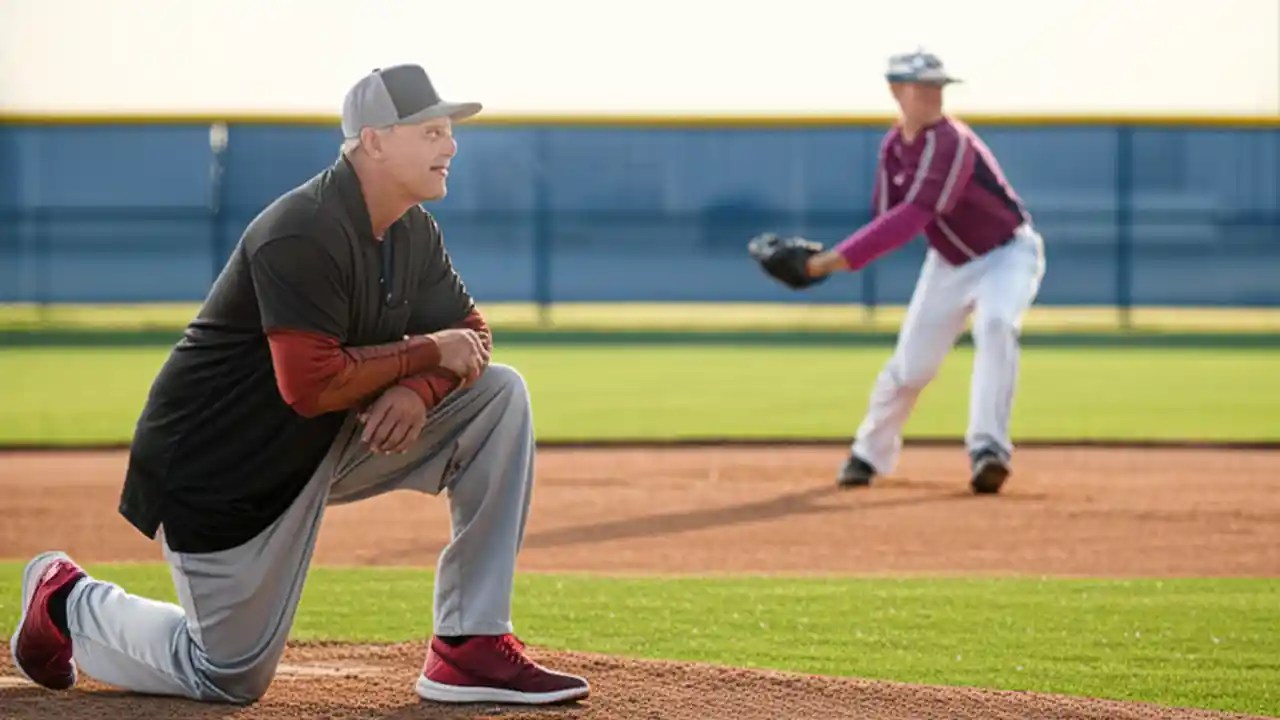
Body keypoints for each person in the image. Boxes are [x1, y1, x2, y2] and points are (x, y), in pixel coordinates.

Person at [9, 64, 590, 706]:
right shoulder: (301, 230)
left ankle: (469, 646)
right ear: (373, 140)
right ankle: (69, 600)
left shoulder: (412, 230)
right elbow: (310, 386)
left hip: (324, 440)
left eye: (448, 131)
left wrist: (418, 389)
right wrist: (424, 353)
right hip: (223, 468)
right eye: (430, 131)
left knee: (498, 398)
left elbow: (471, 335)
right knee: (225, 675)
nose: (449, 145)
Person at [787, 49, 1045, 494]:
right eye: (922, 87)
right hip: (950, 263)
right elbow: (887, 218)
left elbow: (914, 215)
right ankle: (868, 452)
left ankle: (989, 450)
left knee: (997, 325)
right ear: (896, 91)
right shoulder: (893, 148)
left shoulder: (952, 141)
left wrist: (823, 263)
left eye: (938, 87)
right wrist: (829, 257)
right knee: (912, 366)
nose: (932, 95)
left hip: (1007, 254)